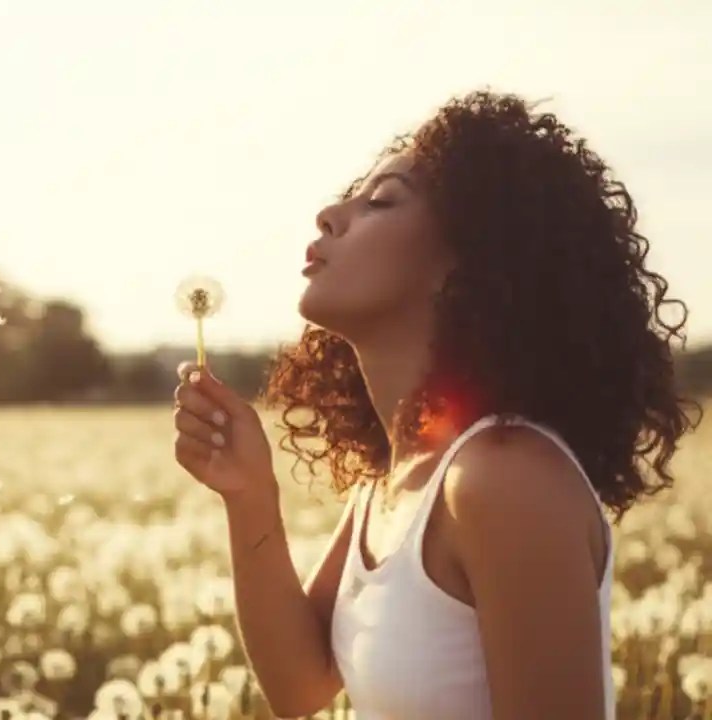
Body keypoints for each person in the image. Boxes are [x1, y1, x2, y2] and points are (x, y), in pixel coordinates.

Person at [170, 88, 701, 720]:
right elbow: (301, 685)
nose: (330, 214)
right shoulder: (395, 483)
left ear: (472, 262)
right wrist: (249, 493)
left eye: (383, 201)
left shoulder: (503, 478)